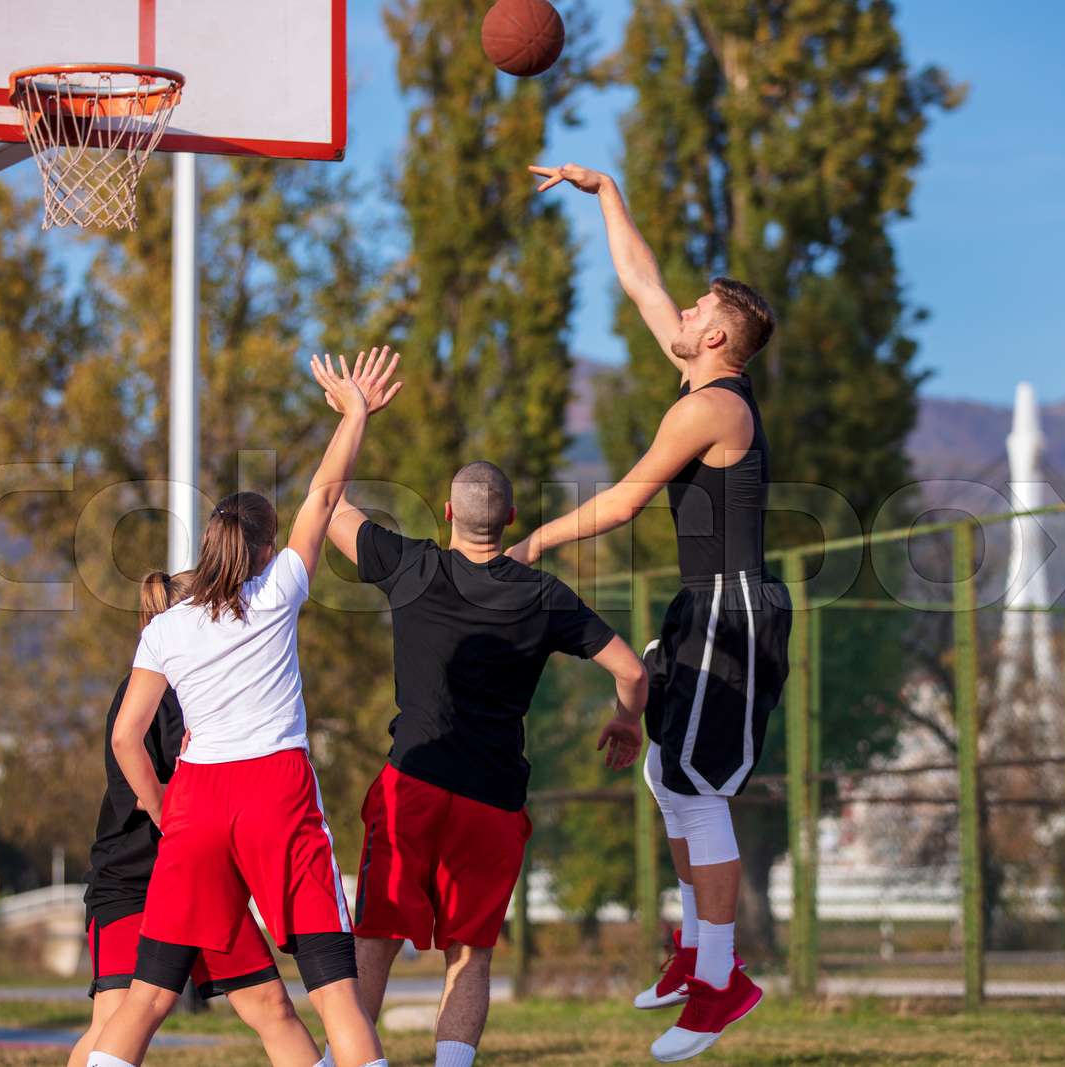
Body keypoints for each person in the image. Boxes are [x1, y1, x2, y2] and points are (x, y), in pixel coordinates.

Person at [516, 163, 792, 1062]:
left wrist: (539, 539)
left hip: (732, 613)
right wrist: (606, 194)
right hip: (702, 605)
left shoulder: (711, 408)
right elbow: (639, 279)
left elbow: (629, 499)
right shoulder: (700, 372)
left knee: (695, 787)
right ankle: (692, 952)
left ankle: (722, 983)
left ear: (714, 333)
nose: (678, 309)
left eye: (695, 306)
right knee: (664, 774)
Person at [86, 348, 404, 1067]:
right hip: (274, 790)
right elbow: (323, 498)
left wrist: (166, 811)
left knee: (148, 997)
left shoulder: (164, 627)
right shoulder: (276, 595)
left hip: (196, 799)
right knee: (335, 994)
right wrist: (354, 414)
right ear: (265, 550)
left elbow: (128, 738)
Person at [315, 443, 649, 1067]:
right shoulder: (546, 596)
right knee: (470, 952)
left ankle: (345, 1060)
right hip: (492, 799)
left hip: (411, 780)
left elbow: (328, 503)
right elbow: (631, 668)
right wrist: (626, 721)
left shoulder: (413, 566)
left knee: (377, 937)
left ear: (446, 513)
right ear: (513, 518)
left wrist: (356, 421)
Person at [68, 571, 309, 1067]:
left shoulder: (216, 688)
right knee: (117, 1017)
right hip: (135, 879)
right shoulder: (147, 696)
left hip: (203, 874)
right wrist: (173, 811)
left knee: (271, 1006)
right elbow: (133, 777)